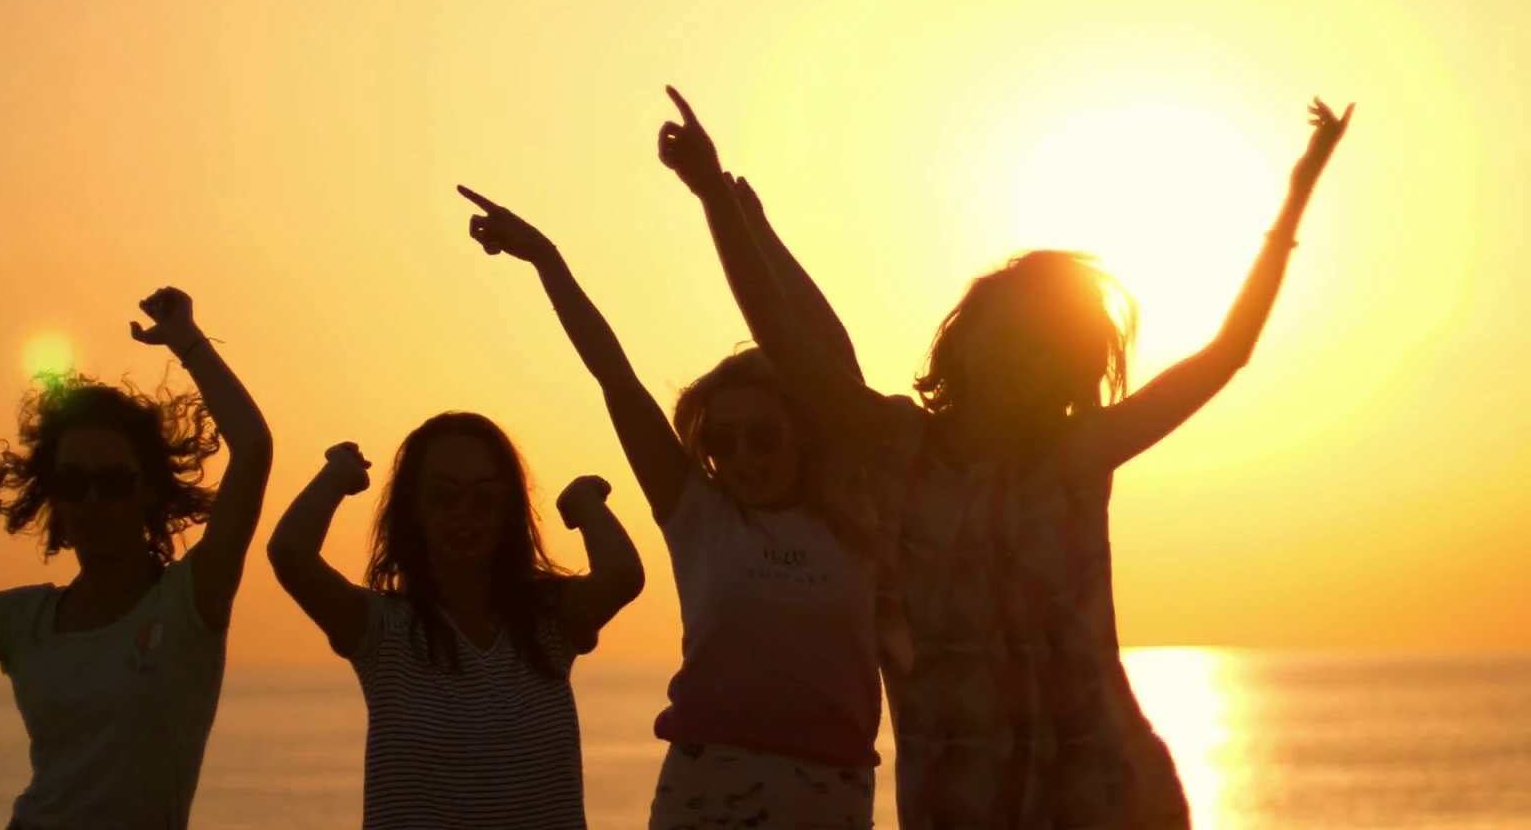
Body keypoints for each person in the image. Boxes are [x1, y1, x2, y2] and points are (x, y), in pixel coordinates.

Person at [659, 87, 1352, 829]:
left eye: (1043, 342)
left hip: (1101, 781)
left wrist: (1297, 194)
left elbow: (1226, 354)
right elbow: (788, 340)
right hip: (960, 789)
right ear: (963, 337)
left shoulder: (1079, 454)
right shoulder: (895, 444)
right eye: (1007, 329)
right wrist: (714, 200)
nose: (1020, 353)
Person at [458, 183, 883, 828]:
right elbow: (615, 376)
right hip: (704, 781)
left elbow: (832, 354)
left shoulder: (852, 509)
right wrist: (547, 260)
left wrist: (750, 227)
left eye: (763, 436)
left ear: (804, 433)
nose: (744, 456)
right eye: (722, 441)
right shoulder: (699, 512)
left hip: (829, 790)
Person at [0, 287, 274, 830]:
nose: (91, 500)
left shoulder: (190, 600)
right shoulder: (24, 621)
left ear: (149, 492)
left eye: (112, 482)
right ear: (53, 496)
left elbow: (252, 448)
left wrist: (186, 340)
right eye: (72, 482)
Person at [266, 417, 643, 830]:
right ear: (415, 509)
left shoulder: (548, 622)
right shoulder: (382, 629)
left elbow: (623, 575)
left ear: (508, 510)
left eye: (484, 499)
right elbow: (290, 553)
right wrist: (336, 475)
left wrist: (584, 504)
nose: (464, 514)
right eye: (443, 497)